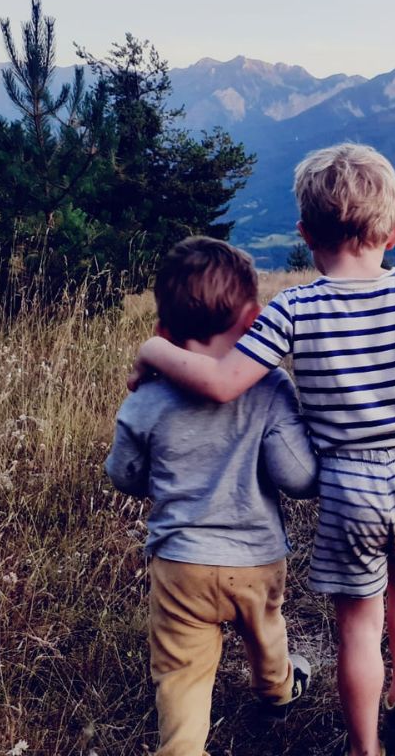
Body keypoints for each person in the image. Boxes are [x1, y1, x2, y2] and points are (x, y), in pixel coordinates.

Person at [127, 143, 395, 756]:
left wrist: (153, 351)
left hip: (350, 483)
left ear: (304, 235)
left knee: (358, 621)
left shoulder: (294, 308)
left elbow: (223, 384)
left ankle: (365, 749)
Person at [106, 236, 319, 756]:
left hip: (181, 562)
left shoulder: (147, 398)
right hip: (256, 559)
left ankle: (181, 748)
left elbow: (125, 475)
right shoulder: (270, 387)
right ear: (252, 322)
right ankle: (277, 689)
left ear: (163, 333)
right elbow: (297, 477)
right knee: (266, 627)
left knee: (181, 669)